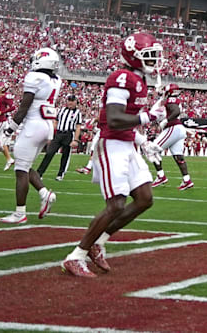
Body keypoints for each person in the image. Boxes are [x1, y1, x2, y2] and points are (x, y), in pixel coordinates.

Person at [61, 32, 167, 277]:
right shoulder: (122, 77)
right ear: (133, 56)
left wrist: (143, 140)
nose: (154, 61)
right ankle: (76, 256)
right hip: (111, 144)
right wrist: (147, 117)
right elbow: (114, 118)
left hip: (128, 143)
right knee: (116, 203)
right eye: (149, 56)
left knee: (144, 198)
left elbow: (127, 121)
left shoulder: (138, 79)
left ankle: (99, 240)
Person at [0, 48, 61, 225]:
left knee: (20, 170)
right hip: (47, 125)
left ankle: (20, 213)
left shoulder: (34, 77)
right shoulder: (56, 80)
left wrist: (9, 130)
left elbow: (24, 108)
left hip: (34, 125)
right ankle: (45, 194)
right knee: (25, 166)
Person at [147, 84, 194, 191]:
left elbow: (176, 111)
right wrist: (159, 92)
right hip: (178, 129)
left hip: (173, 127)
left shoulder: (171, 100)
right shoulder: (171, 100)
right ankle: (187, 180)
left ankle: (160, 176)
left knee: (152, 149)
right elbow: (163, 103)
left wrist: (165, 121)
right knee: (179, 157)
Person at [37, 93, 82, 181]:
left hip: (69, 134)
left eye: (72, 101)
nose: (70, 103)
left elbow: (78, 127)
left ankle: (60, 174)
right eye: (69, 100)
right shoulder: (61, 110)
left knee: (65, 155)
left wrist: (76, 140)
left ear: (76, 102)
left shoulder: (77, 113)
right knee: (49, 153)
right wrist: (51, 135)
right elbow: (55, 122)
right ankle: (39, 173)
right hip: (58, 134)